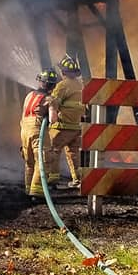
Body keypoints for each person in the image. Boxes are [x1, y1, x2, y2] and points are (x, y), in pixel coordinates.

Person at [48, 54, 85, 189]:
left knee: (53, 150)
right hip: (76, 127)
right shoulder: (80, 85)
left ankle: (52, 179)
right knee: (74, 153)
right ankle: (77, 180)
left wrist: (52, 118)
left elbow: (53, 102)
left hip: (62, 126)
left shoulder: (62, 85)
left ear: (63, 71)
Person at [20, 67, 59, 197]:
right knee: (42, 160)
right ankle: (37, 192)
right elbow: (53, 119)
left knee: (29, 161)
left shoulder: (29, 95)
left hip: (24, 129)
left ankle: (28, 188)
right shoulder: (50, 99)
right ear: (53, 85)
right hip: (37, 130)